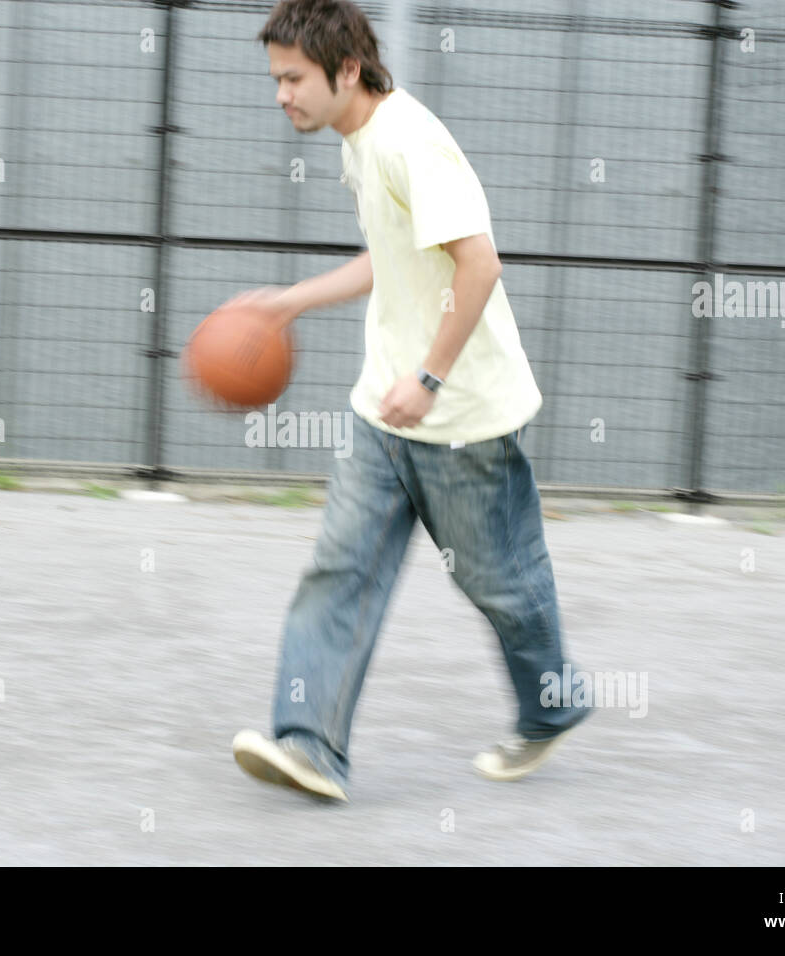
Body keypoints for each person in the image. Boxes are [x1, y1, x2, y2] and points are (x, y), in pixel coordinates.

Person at [230, 0, 593, 803]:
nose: (281, 95)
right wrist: (293, 301)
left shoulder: (409, 140)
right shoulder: (361, 140)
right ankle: (311, 745)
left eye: (292, 79)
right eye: (276, 79)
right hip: (382, 412)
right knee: (341, 569)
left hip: (462, 420)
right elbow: (390, 256)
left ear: (346, 70)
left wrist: (427, 378)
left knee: (502, 586)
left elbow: (479, 265)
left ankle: (552, 706)